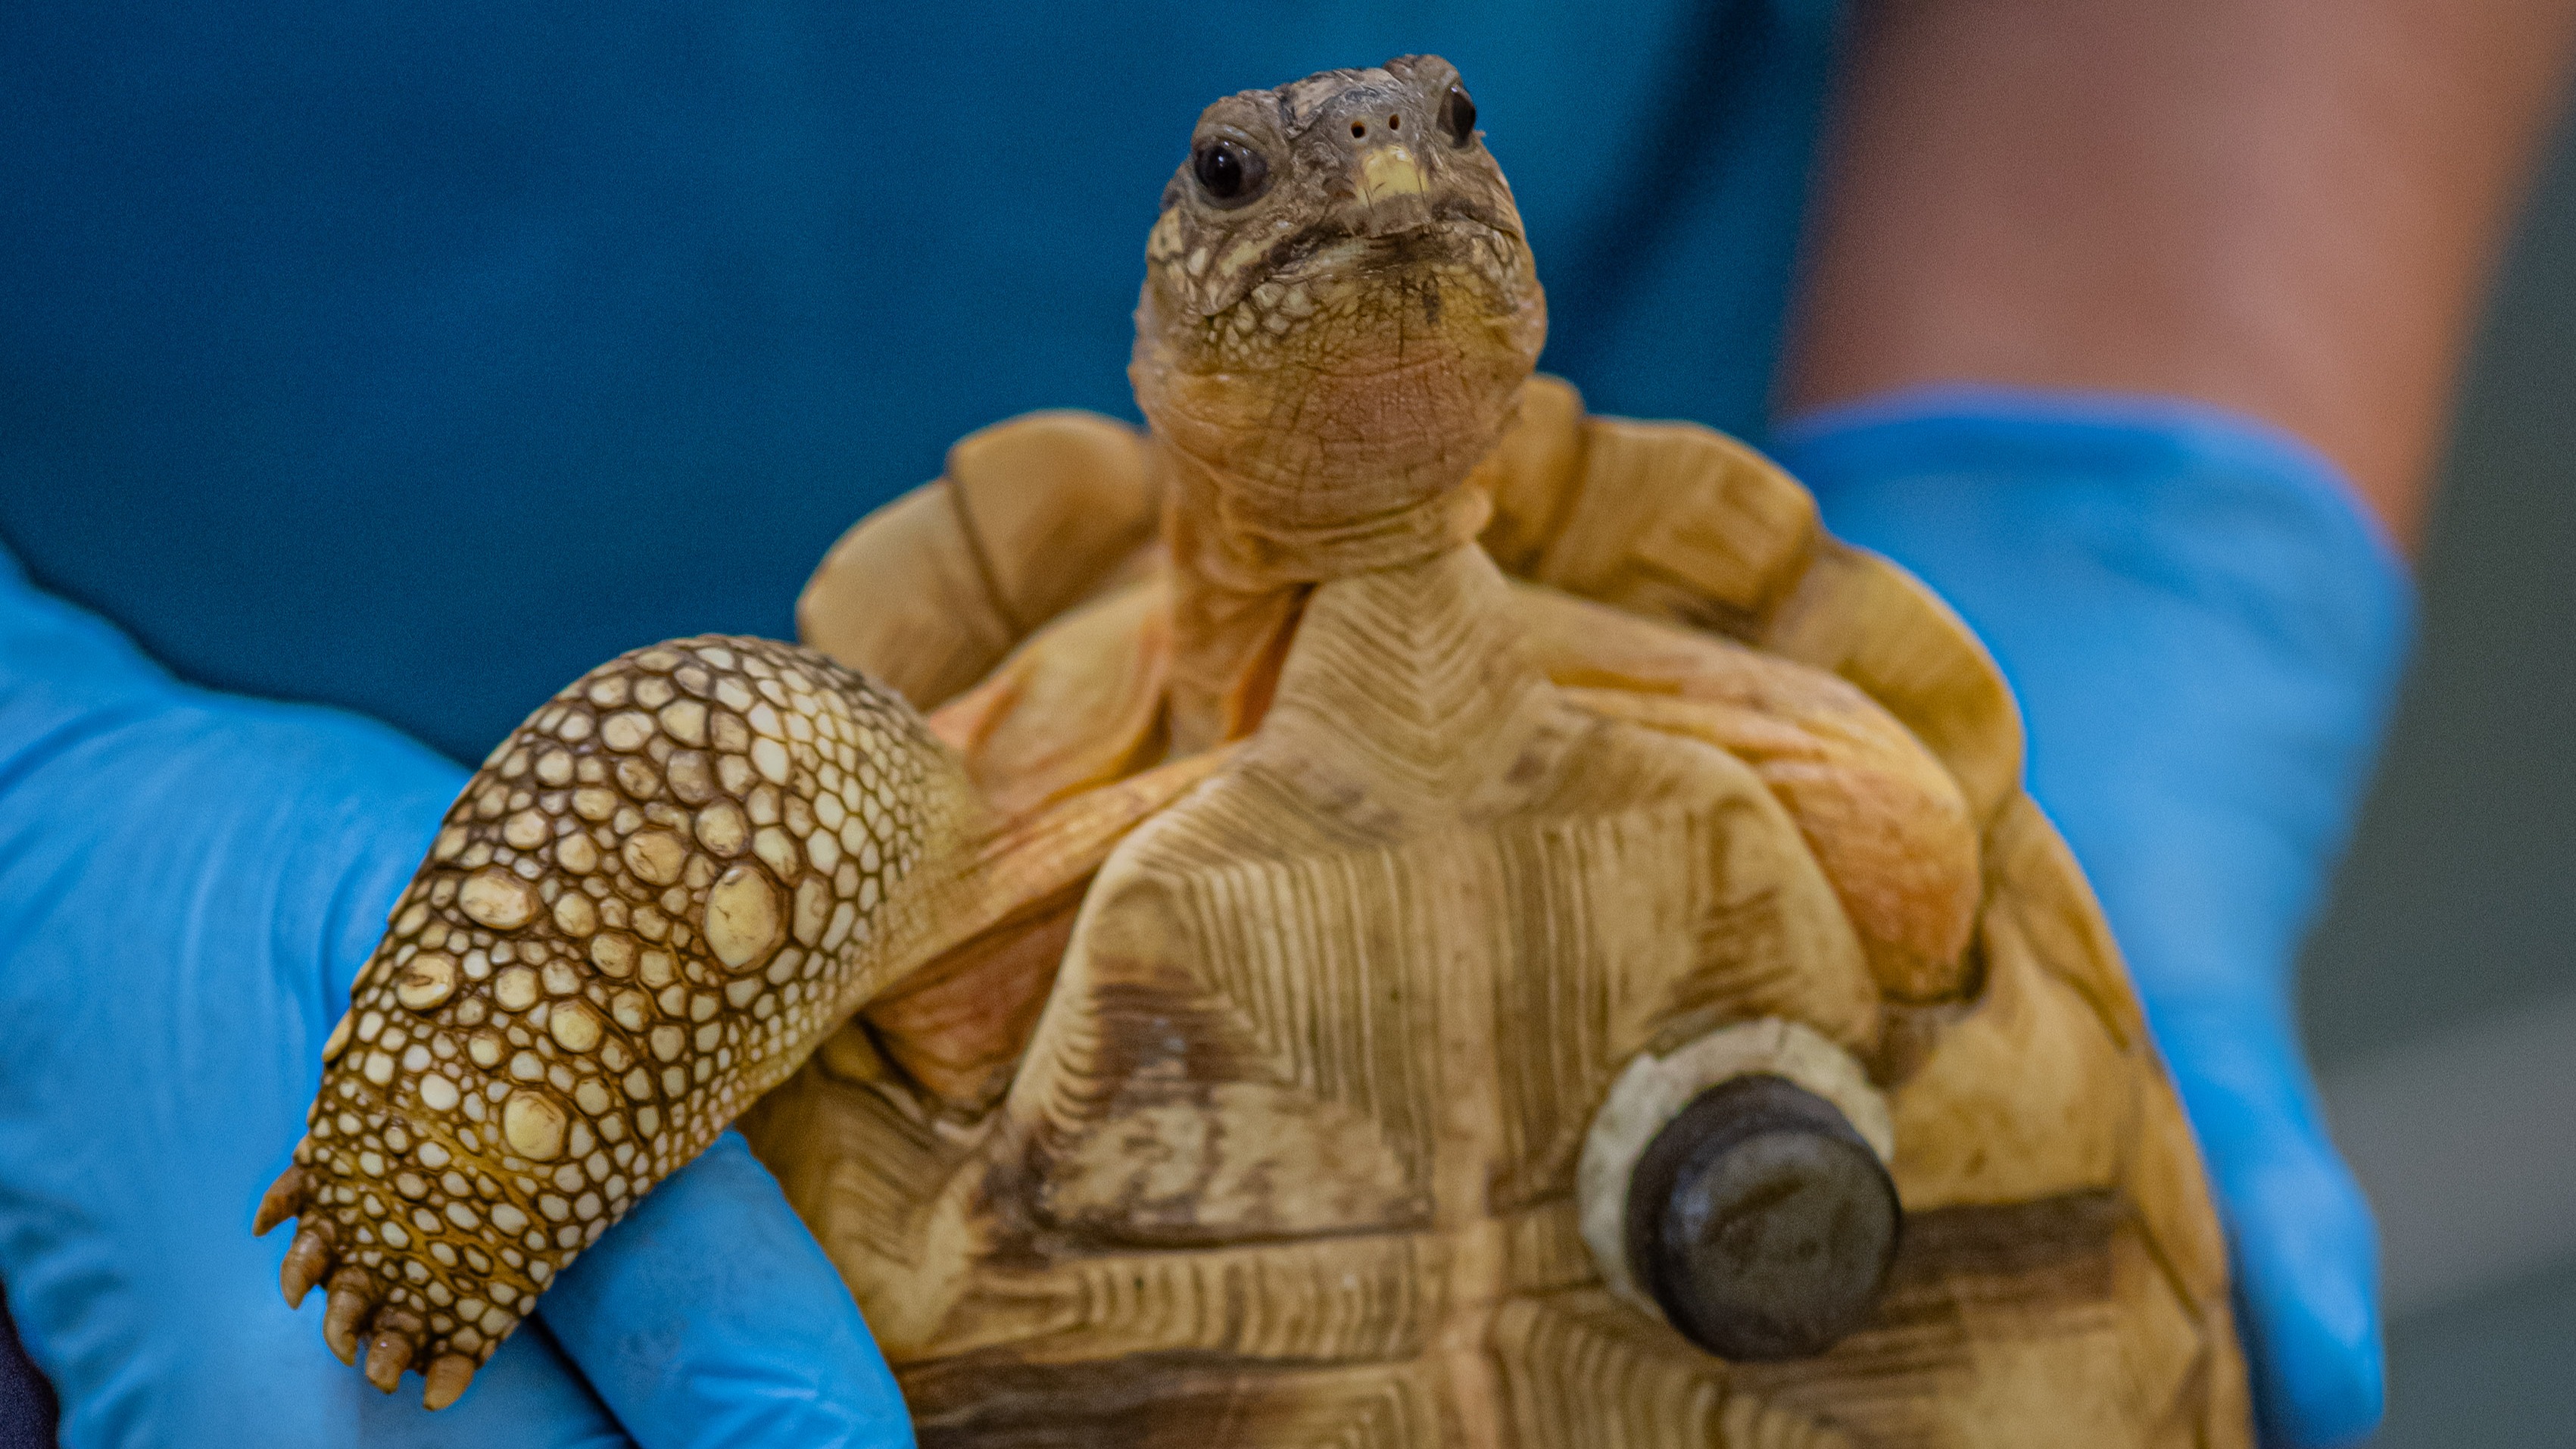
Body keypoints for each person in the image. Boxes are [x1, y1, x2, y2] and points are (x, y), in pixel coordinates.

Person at [1, 2, 2566, 1444]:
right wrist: (54, 849)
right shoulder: (880, 785)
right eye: (1251, 172)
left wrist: (2102, 457)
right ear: (1167, 286)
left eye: (1432, 132)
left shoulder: (1787, 726)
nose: (1366, 169)